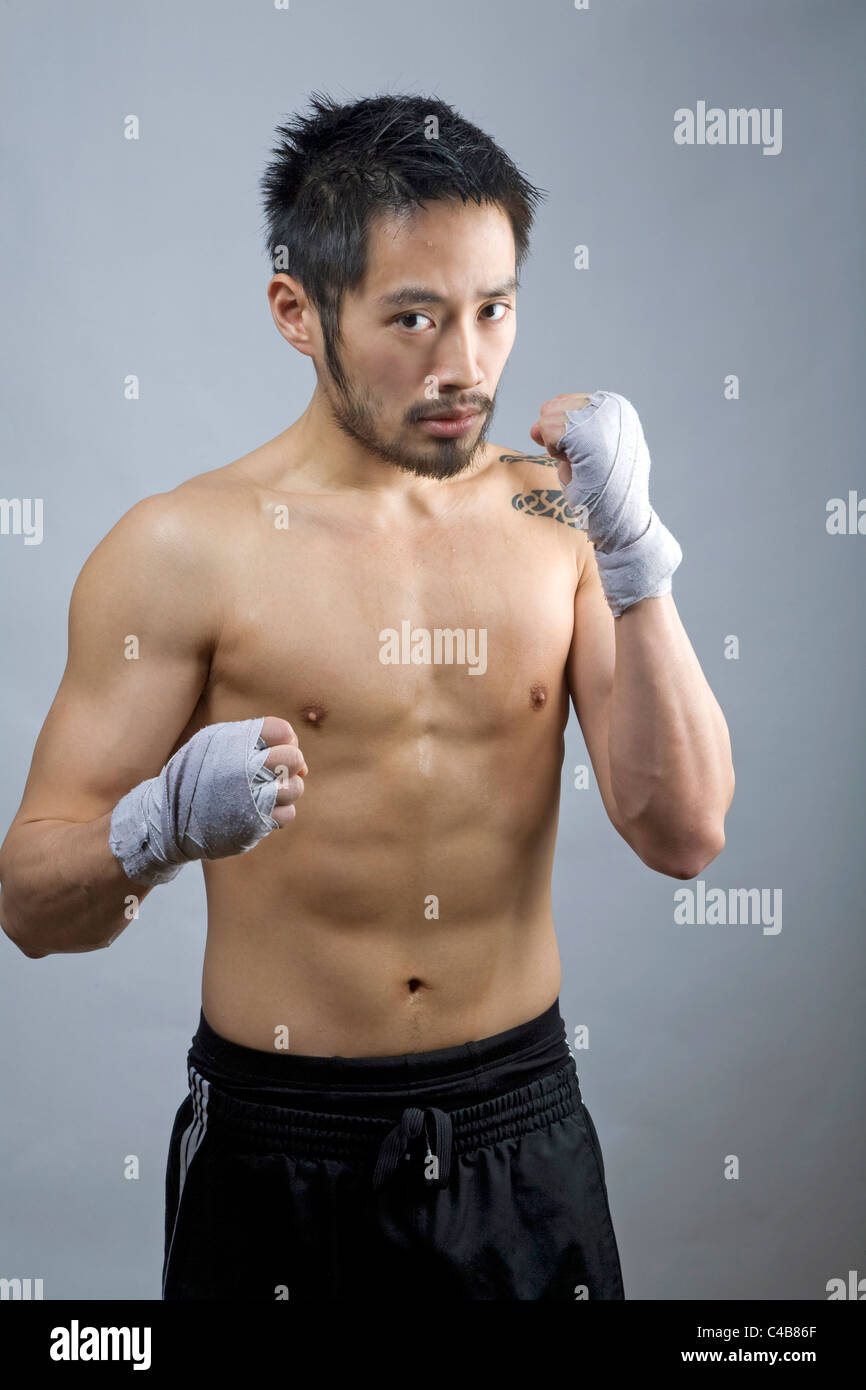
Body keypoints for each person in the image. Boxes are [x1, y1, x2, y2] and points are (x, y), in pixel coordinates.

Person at [0, 92, 734, 1301]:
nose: (465, 366)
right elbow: (30, 903)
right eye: (414, 318)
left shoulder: (558, 518)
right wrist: (157, 827)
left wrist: (635, 550)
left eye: (492, 310)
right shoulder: (181, 547)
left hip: (520, 1128)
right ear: (299, 310)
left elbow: (683, 833)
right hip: (280, 1145)